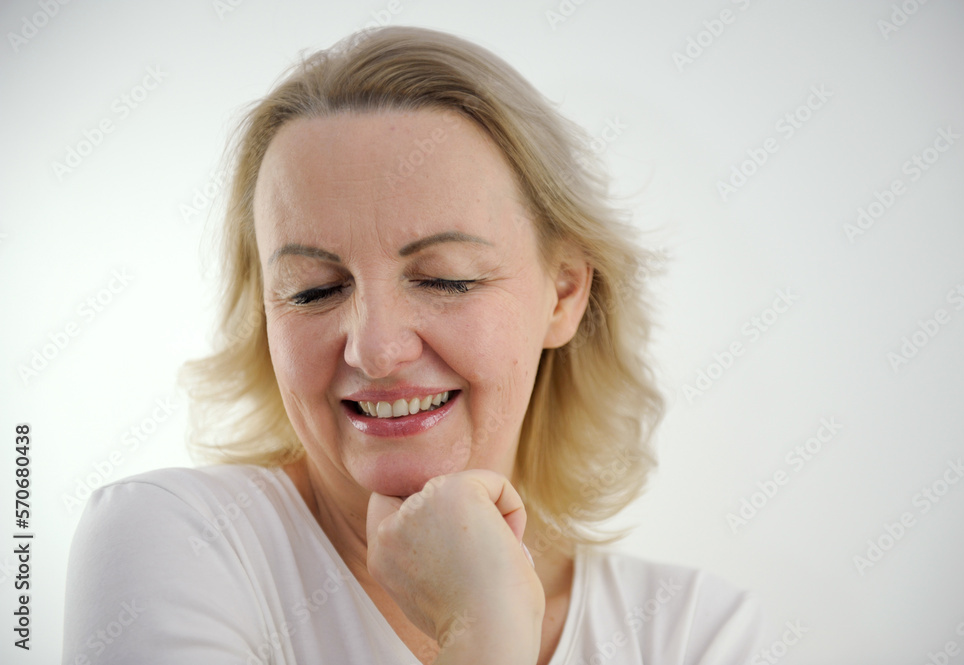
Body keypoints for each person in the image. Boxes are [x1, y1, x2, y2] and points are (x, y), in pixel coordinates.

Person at [62, 26, 762, 665]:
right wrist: (483, 632)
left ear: (564, 293)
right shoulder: (174, 540)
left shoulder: (692, 630)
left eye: (444, 279)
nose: (376, 349)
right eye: (312, 289)